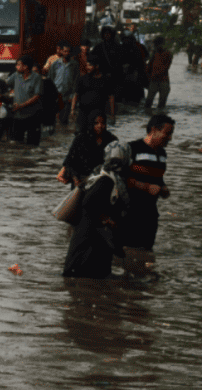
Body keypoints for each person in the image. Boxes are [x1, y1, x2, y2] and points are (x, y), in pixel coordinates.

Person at [62, 141, 131, 279]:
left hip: (91, 241)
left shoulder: (101, 176)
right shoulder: (107, 181)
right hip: (89, 244)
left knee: (94, 281)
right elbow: (88, 203)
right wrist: (106, 219)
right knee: (88, 281)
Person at [123, 114, 175, 252]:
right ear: (154, 130)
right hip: (129, 212)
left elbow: (157, 177)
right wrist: (146, 187)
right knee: (126, 251)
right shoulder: (132, 148)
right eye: (167, 133)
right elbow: (120, 178)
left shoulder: (162, 154)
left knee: (146, 252)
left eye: (171, 134)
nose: (170, 138)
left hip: (150, 213)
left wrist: (163, 187)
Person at [57, 110, 118, 186]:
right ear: (91, 124)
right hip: (82, 176)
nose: (100, 126)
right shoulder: (81, 138)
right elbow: (71, 157)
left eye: (103, 123)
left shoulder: (111, 139)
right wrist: (63, 170)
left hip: (104, 175)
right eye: (96, 123)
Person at [70, 52, 116, 132]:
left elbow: (111, 97)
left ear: (97, 66)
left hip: (98, 115)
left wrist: (112, 114)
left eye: (90, 65)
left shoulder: (105, 80)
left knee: (98, 134)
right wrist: (72, 110)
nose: (87, 67)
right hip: (83, 113)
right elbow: (76, 95)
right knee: (81, 134)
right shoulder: (82, 79)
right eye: (87, 65)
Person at [6, 55, 43, 146]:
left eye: (19, 65)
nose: (16, 67)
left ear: (25, 67)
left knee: (32, 143)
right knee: (16, 142)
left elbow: (37, 96)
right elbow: (6, 85)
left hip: (33, 115)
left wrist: (22, 105)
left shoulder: (37, 78)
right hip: (18, 115)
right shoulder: (15, 75)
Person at [48, 40, 77, 126]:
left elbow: (75, 81)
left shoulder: (74, 65)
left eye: (68, 51)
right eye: (65, 51)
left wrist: (72, 96)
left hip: (67, 96)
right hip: (56, 95)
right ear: (61, 51)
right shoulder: (55, 64)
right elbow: (50, 80)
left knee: (64, 121)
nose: (67, 53)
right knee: (53, 120)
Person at [119, 24, 147, 103]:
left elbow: (144, 58)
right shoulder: (121, 48)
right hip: (126, 76)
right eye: (125, 39)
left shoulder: (139, 47)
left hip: (136, 74)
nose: (126, 41)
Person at [144, 35, 173, 110]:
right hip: (156, 81)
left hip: (162, 81)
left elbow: (166, 67)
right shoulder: (155, 54)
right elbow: (149, 66)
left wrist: (153, 75)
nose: (156, 47)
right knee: (149, 103)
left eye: (156, 45)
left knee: (160, 104)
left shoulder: (167, 54)